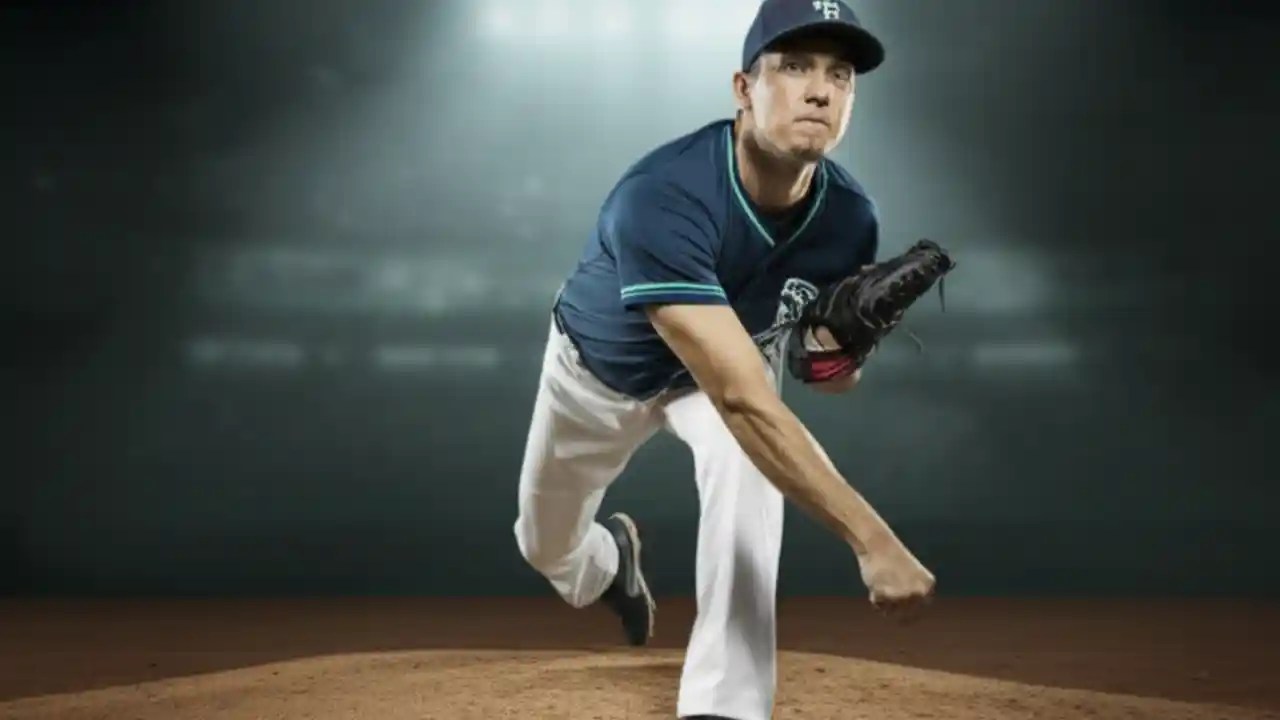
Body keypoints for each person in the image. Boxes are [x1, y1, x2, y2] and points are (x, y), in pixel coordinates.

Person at [512, 1, 936, 718]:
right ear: (743, 88)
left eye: (840, 74)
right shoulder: (664, 194)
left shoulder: (849, 218)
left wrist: (839, 352)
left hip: (723, 371)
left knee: (750, 470)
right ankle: (608, 565)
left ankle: (726, 705)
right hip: (597, 375)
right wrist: (873, 539)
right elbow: (744, 397)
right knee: (544, 544)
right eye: (794, 65)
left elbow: (821, 371)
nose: (819, 89)